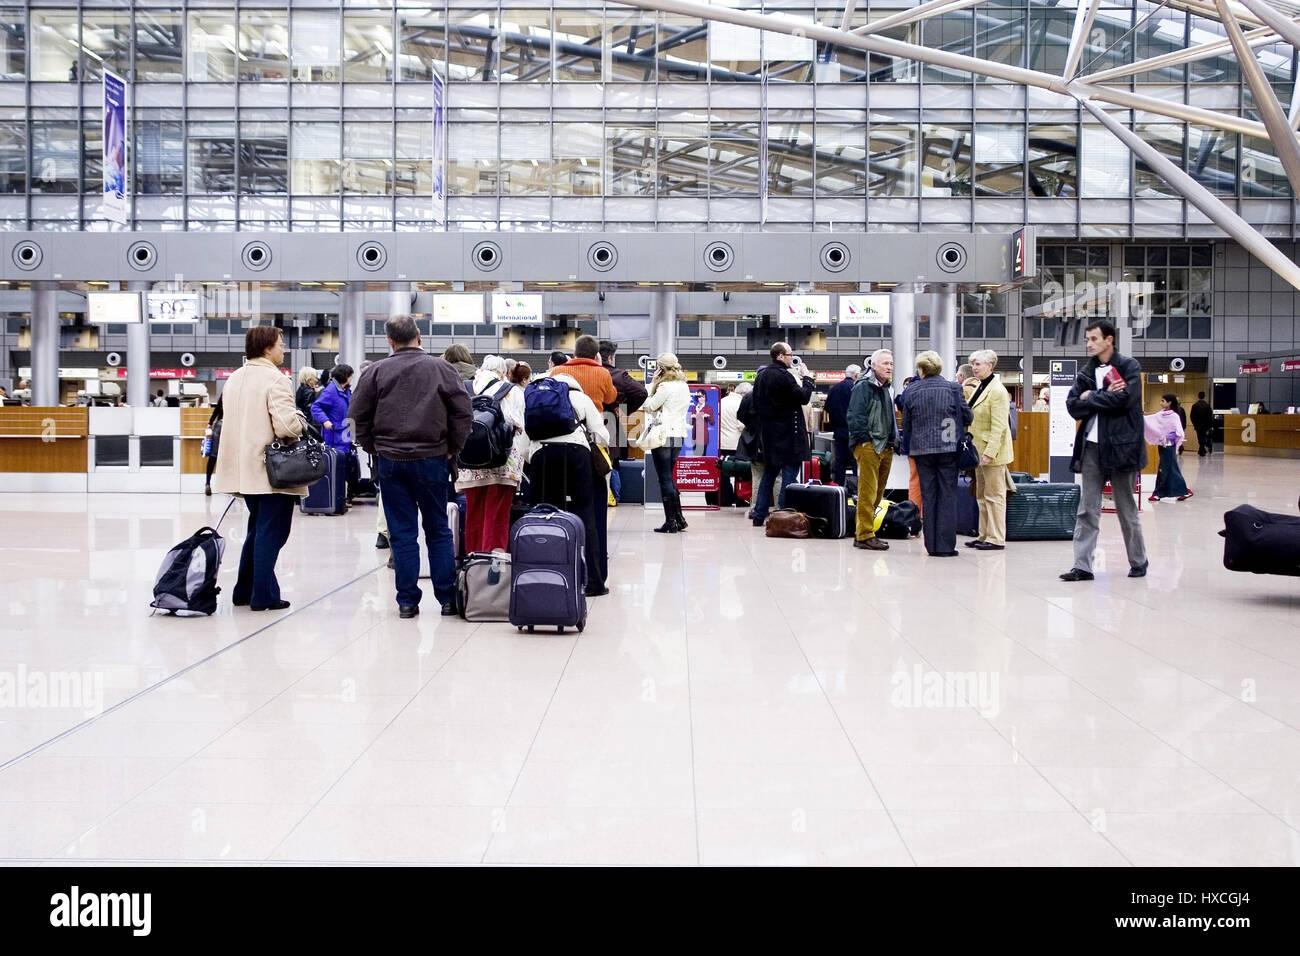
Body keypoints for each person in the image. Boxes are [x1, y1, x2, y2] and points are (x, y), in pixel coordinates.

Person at [350, 316, 473, 618]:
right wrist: (451, 449)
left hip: (391, 462)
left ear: (389, 341)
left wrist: (373, 447)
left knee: (402, 532)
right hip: (432, 460)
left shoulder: (375, 372)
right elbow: (463, 415)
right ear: (419, 336)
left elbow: (354, 420)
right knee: (438, 530)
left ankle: (407, 601)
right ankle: (446, 598)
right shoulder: (442, 369)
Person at [211, 326, 307, 612]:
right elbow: (286, 426)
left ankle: (244, 589)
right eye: (280, 345)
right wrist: (301, 420)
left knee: (257, 528)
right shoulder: (274, 380)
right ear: (267, 348)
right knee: (272, 532)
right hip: (271, 471)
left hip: (244, 470)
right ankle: (263, 595)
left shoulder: (235, 378)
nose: (283, 349)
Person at [1060, 319, 1148, 582]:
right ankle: (1082, 566)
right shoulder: (1087, 371)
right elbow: (1073, 406)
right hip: (1091, 449)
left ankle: (1139, 560)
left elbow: (1125, 400)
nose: (1089, 344)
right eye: (1087, 339)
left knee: (1126, 508)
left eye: (1094, 339)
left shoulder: (1128, 366)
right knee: (1088, 509)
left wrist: (1091, 397)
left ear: (1109, 339)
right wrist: (1096, 396)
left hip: (1122, 449)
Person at [526, 371, 611, 595]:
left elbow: (526, 442)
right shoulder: (580, 398)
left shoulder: (533, 397)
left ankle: (542, 577)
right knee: (585, 513)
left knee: (543, 514)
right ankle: (593, 582)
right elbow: (603, 436)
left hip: (541, 456)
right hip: (575, 454)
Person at [553, 335, 618, 581]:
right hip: (589, 445)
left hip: (554, 445)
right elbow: (611, 398)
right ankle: (594, 572)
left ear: (574, 352)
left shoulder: (558, 370)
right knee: (593, 507)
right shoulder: (601, 372)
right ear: (596, 354)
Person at [900, 351, 970, 557]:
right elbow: (967, 416)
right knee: (947, 495)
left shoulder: (912, 390)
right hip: (949, 448)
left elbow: (906, 423)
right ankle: (946, 546)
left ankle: (931, 545)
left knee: (928, 495)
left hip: (922, 450)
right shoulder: (953, 388)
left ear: (921, 370)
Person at [456, 355, 527, 554]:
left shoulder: (464, 387)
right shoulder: (512, 390)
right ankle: (493, 569)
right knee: (497, 515)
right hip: (503, 462)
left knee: (474, 514)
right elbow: (518, 423)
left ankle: (474, 564)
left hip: (469, 462)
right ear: (504, 372)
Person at [750, 343, 815, 528]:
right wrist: (808, 378)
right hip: (789, 437)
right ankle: (785, 515)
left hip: (770, 437)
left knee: (768, 476)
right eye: (789, 355)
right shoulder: (784, 376)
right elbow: (803, 397)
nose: (791, 358)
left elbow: (755, 405)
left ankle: (759, 514)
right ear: (779, 356)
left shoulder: (761, 377)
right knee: (789, 478)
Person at [846, 349, 898, 550]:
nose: (889, 367)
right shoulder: (864, 387)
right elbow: (855, 416)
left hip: (885, 445)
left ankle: (865, 532)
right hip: (870, 445)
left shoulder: (886, 387)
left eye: (891, 364)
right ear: (873, 365)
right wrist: (864, 441)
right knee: (867, 492)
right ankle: (865, 534)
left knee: (877, 493)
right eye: (885, 363)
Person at [964, 350, 1014, 552]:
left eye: (977, 364)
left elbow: (1000, 426)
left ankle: (996, 537)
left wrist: (990, 452)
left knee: (995, 495)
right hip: (979, 450)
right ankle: (983, 533)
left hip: (992, 452)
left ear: (990, 366)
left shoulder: (998, 391)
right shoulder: (981, 387)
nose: (974, 367)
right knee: (982, 495)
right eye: (973, 364)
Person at [638, 353, 691, 534]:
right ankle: (679, 519)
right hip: (679, 436)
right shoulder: (684, 386)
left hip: (663, 435)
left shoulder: (665, 387)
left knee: (664, 478)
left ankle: (671, 522)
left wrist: (652, 384)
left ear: (660, 368)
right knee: (669, 476)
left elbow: (649, 406)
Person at [599, 339, 647, 505]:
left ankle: (601, 496)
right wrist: (624, 410)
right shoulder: (620, 375)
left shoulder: (590, 373)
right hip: (612, 425)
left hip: (589, 424)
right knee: (613, 461)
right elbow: (641, 392)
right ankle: (614, 498)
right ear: (611, 357)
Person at [311, 364, 359, 500]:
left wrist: (353, 435)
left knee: (345, 467)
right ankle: (336, 498)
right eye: (350, 375)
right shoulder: (331, 391)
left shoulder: (345, 390)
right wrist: (325, 420)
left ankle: (342, 497)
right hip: (334, 436)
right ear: (345, 376)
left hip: (345, 435)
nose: (352, 378)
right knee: (337, 468)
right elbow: (316, 407)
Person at [1146, 395, 1193, 502]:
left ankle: (1158, 493)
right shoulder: (1160, 415)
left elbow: (1178, 432)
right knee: (1170, 468)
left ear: (1169, 403)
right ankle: (1184, 491)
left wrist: (1166, 437)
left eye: (1163, 401)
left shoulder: (1174, 416)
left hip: (1169, 445)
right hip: (1161, 445)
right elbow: (1150, 420)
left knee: (1164, 468)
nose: (1161, 403)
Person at [824, 365, 860, 487]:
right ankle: (855, 489)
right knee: (856, 462)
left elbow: (827, 407)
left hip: (839, 431)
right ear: (856, 375)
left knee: (840, 463)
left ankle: (839, 489)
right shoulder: (857, 388)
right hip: (854, 432)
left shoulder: (834, 388)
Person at [718, 382, 746, 506]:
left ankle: (724, 498)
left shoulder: (722, 401)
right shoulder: (740, 403)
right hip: (736, 443)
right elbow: (741, 425)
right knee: (739, 471)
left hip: (722, 442)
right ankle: (739, 498)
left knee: (723, 471)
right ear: (743, 393)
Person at [203, 394, 224, 497]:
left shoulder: (226, 390)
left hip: (219, 424)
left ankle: (208, 482)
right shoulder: (239, 392)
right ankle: (232, 485)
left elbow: (217, 409)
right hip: (231, 427)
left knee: (213, 455)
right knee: (232, 456)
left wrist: (210, 422)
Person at [1190, 391, 1213, 456]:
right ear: (1204, 396)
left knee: (1200, 437)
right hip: (1206, 426)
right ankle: (1202, 449)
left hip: (1198, 425)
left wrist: (1194, 424)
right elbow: (1210, 416)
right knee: (1204, 437)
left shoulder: (1195, 406)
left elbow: (1192, 416)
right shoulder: (1207, 406)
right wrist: (1209, 425)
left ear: (1198, 396)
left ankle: (1202, 449)